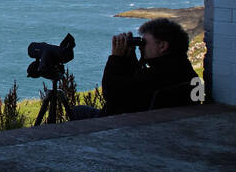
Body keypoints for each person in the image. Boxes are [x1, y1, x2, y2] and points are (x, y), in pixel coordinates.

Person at [69, 18, 199, 119]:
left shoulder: (154, 75)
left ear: (162, 46)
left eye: (145, 43)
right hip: (156, 123)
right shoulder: (185, 71)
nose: (141, 47)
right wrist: (131, 57)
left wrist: (116, 57)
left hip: (122, 125)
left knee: (77, 111)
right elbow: (134, 85)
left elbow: (111, 93)